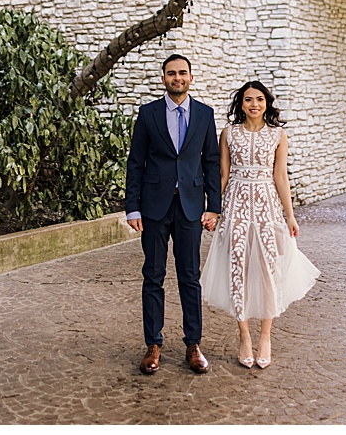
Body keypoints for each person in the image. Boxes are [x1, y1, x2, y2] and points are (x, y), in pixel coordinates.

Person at [201, 80, 320, 369]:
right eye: (248, 100)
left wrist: (290, 215)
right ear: (240, 104)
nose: (254, 104)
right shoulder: (229, 133)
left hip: (267, 206)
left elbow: (281, 176)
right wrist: (213, 210)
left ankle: (265, 336)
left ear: (267, 103)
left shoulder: (278, 135)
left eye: (259, 99)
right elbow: (223, 175)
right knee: (237, 266)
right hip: (236, 205)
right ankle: (244, 336)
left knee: (269, 267)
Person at [125, 54, 222, 374]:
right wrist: (132, 206)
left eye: (182, 73)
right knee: (152, 275)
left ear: (191, 77)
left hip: (191, 207)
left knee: (189, 277)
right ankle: (153, 344)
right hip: (153, 207)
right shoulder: (148, 114)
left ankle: (193, 344)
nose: (176, 78)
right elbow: (135, 162)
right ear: (163, 78)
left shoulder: (205, 114)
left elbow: (211, 162)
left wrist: (213, 206)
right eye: (171, 74)